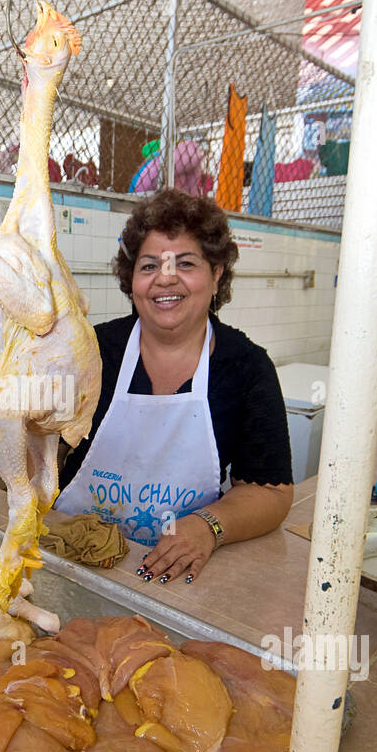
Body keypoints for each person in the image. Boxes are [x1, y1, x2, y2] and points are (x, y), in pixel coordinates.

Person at [55, 188, 294, 583]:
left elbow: (271, 492)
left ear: (217, 274)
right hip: (71, 554)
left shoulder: (247, 367)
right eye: (148, 266)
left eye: (185, 263)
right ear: (131, 280)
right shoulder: (92, 350)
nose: (165, 278)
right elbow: (43, 439)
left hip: (177, 570)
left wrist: (208, 527)